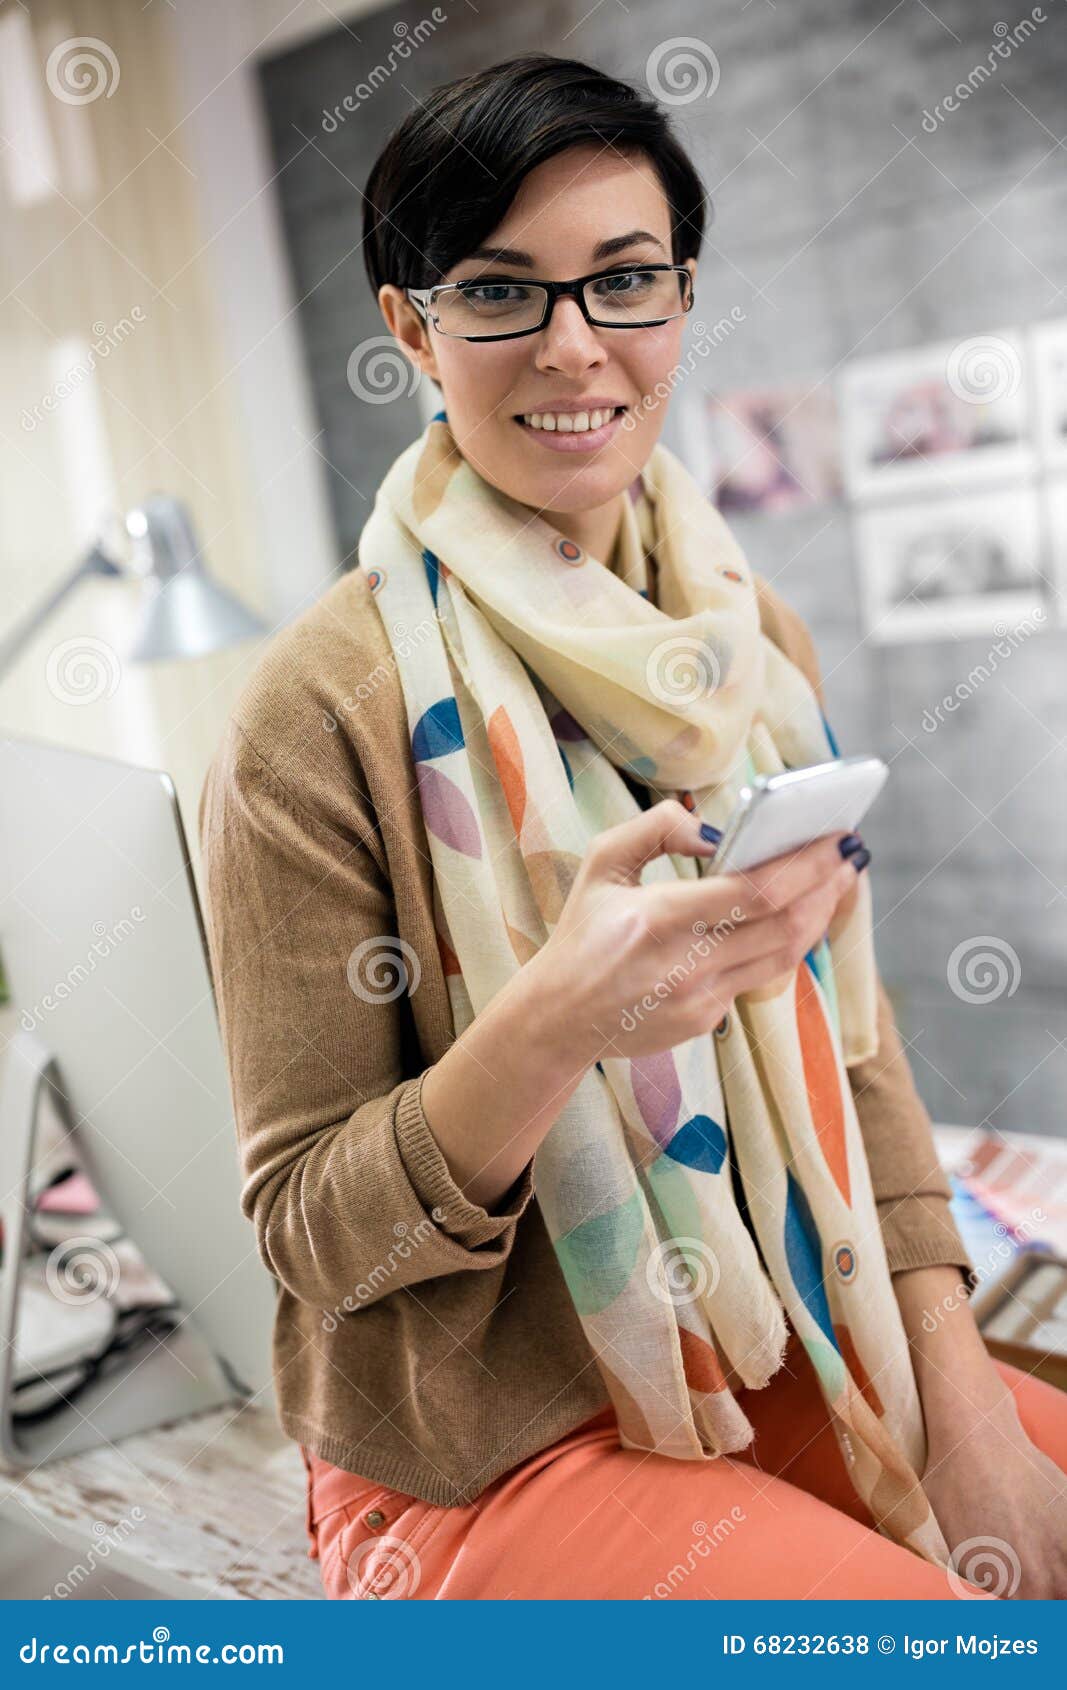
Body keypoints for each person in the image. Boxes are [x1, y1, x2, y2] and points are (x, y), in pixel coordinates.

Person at [198, 53, 1067, 1601]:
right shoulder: (317, 713)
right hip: (486, 1437)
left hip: (774, 1336)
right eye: (498, 292)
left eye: (623, 282)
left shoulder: (750, 637)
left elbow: (853, 1047)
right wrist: (556, 1022)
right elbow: (320, 1242)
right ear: (411, 327)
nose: (572, 346)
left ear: (680, 295)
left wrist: (964, 1405)